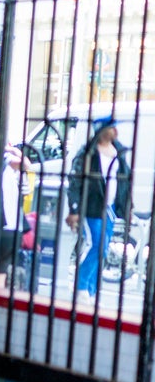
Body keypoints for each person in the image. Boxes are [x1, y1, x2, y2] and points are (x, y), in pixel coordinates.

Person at [66, 116, 131, 300]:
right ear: (102, 130)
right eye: (112, 128)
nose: (116, 131)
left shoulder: (119, 152)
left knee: (102, 249)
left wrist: (127, 207)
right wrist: (75, 209)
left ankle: (91, 291)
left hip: (108, 210)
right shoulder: (88, 153)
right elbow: (75, 182)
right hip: (91, 208)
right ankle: (81, 285)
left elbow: (124, 183)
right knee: (96, 245)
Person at [0, 145, 32, 291]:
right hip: (12, 227)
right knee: (1, 269)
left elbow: (25, 163)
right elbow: (26, 164)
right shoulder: (8, 166)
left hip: (5, 225)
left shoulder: (4, 163)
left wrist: (11, 150)